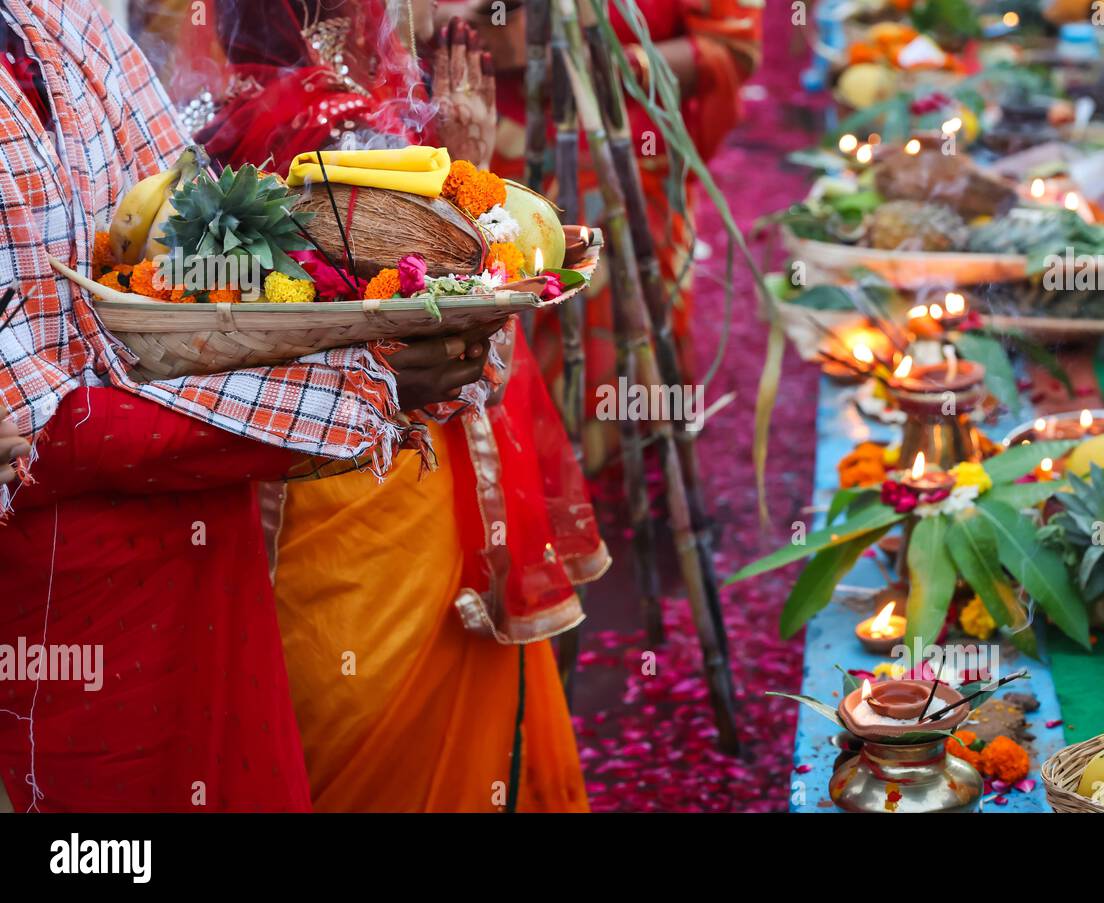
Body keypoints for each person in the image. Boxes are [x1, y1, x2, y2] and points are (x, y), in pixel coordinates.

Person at [0, 0, 487, 812]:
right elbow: (36, 431)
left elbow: (191, 262)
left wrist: (408, 294)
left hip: (210, 554)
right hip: (57, 608)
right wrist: (366, 385)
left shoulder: (65, 23)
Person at [144, 0, 603, 811]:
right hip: (380, 476)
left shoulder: (187, 116)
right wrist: (468, 184)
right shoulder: (343, 125)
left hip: (276, 493)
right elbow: (446, 309)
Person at [450, 0, 762, 472]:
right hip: (500, 155)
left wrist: (600, 63)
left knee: (632, 327)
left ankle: (629, 466)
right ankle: (529, 466)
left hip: (629, 160)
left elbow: (731, 49)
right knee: (505, 322)